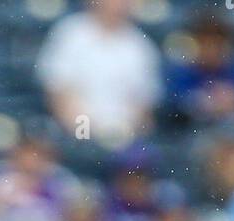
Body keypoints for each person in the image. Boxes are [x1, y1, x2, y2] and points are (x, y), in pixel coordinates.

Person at [36, 0, 161, 149]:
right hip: (78, 133)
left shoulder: (141, 46)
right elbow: (58, 92)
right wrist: (85, 134)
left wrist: (122, 137)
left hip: (123, 140)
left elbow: (144, 107)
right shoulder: (71, 32)